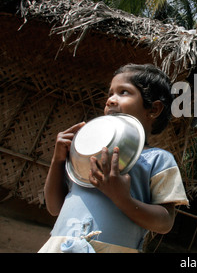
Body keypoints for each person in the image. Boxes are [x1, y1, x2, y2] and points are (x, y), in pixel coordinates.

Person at [39, 63, 188, 253]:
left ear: (153, 109)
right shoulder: (86, 155)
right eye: (110, 94)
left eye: (123, 92)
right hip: (60, 247)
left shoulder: (158, 160)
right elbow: (55, 207)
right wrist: (57, 160)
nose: (110, 100)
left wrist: (122, 199)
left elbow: (165, 222)